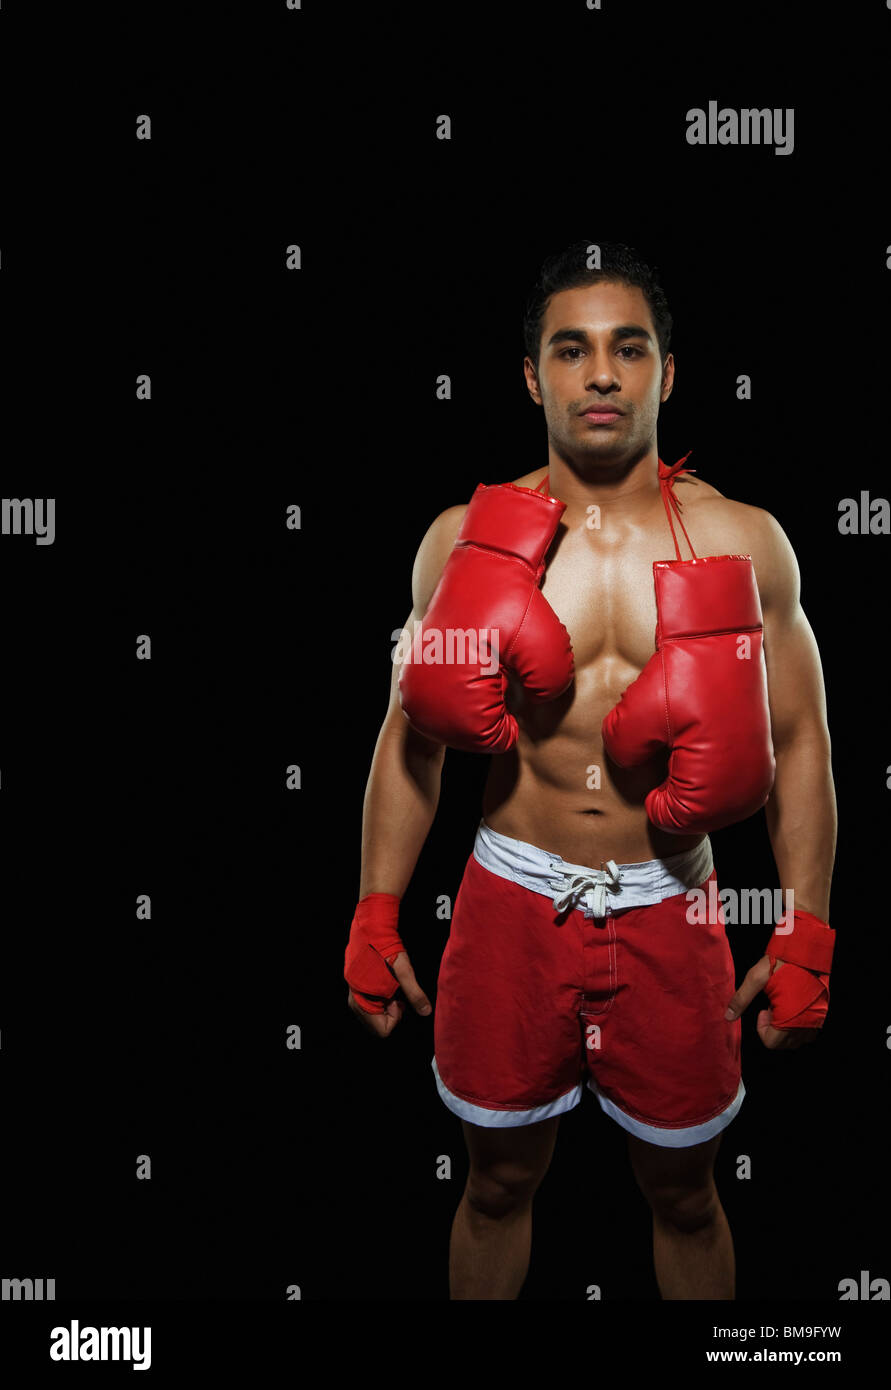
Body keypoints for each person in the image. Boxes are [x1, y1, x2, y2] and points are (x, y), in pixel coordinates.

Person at [345, 241, 836, 1300]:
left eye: (628, 348)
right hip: (511, 898)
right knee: (494, 1182)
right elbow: (410, 738)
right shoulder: (456, 544)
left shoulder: (748, 542)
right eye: (571, 350)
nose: (601, 374)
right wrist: (375, 913)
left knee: (688, 1194)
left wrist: (807, 928)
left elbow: (800, 743)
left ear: (668, 372)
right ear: (534, 376)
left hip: (674, 910)